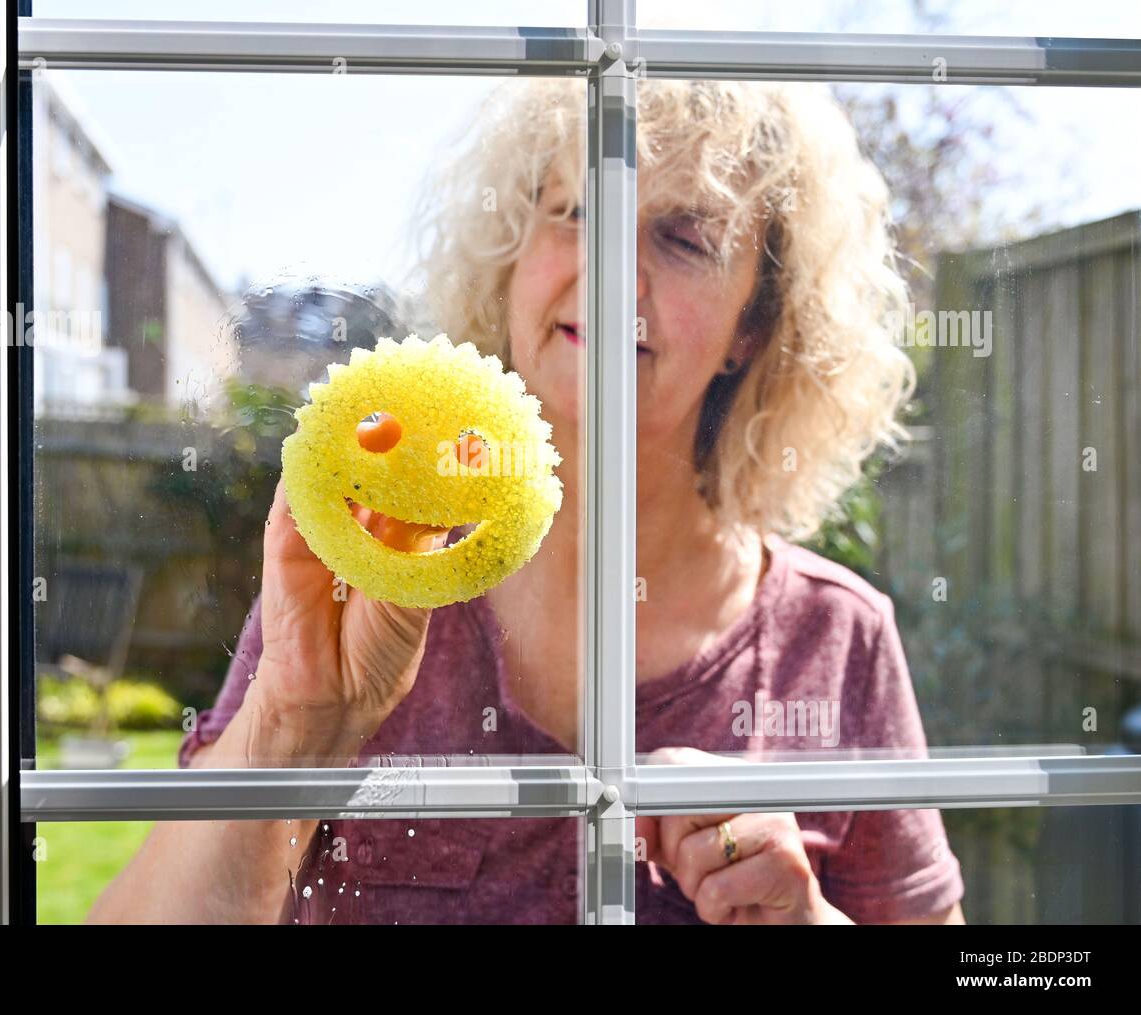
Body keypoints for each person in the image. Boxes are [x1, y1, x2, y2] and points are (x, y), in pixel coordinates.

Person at [89, 78, 965, 925]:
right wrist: (291, 728)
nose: (613, 272)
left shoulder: (837, 638)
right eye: (575, 212)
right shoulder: (370, 571)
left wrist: (802, 918)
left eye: (685, 238)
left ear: (752, 329)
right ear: (509, 262)